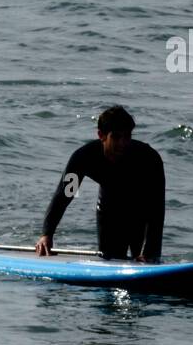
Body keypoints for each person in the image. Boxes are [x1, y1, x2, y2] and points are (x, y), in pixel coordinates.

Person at [34, 106, 165, 261]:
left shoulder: (149, 159)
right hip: (109, 212)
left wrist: (149, 251)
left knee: (148, 259)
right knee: (112, 260)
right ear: (101, 135)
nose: (123, 143)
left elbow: (156, 208)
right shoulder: (83, 158)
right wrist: (47, 234)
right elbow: (65, 195)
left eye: (127, 136)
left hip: (142, 212)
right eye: (116, 137)